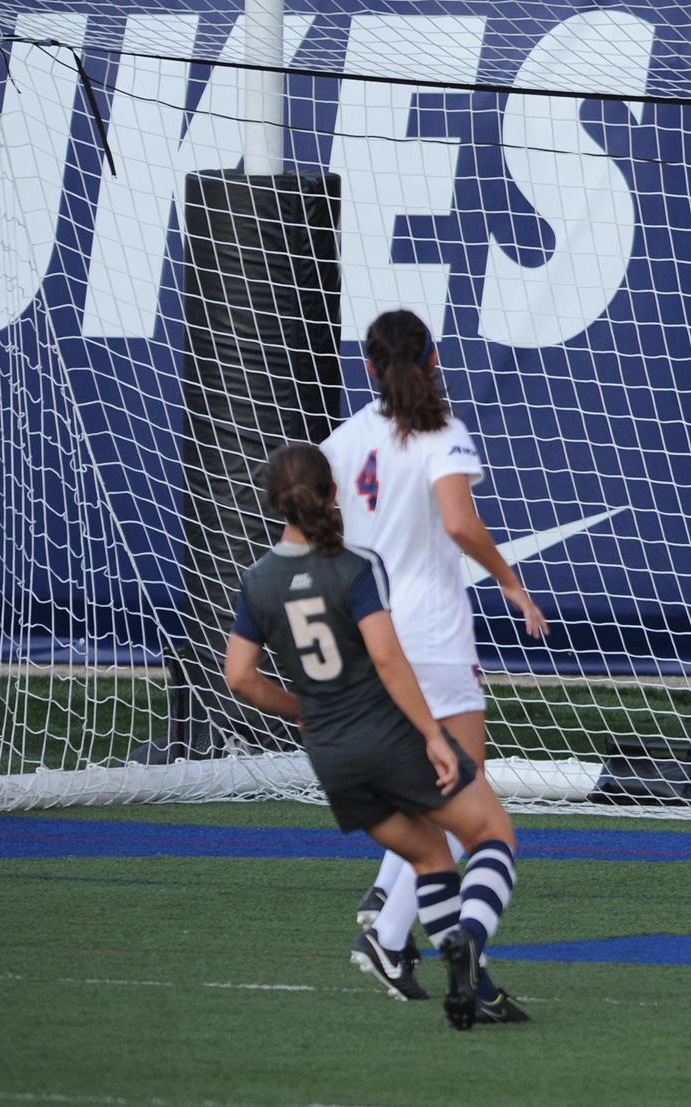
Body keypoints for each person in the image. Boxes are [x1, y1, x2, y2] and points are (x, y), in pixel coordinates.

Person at [222, 442, 526, 1028]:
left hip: (332, 758)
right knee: (492, 833)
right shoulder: (355, 564)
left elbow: (239, 676)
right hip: (385, 736)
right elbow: (387, 659)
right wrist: (433, 737)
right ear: (333, 494)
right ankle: (468, 936)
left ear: (273, 505)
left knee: (428, 854)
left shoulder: (257, 580)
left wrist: (299, 711)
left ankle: (475, 989)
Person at [319, 309, 549, 976]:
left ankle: (388, 906)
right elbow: (459, 522)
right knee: (462, 794)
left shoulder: (344, 439)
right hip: (432, 636)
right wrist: (510, 581)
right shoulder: (439, 431)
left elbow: (315, 526)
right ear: (436, 361)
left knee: (428, 785)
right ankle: (391, 933)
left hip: (368, 635)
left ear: (367, 367)